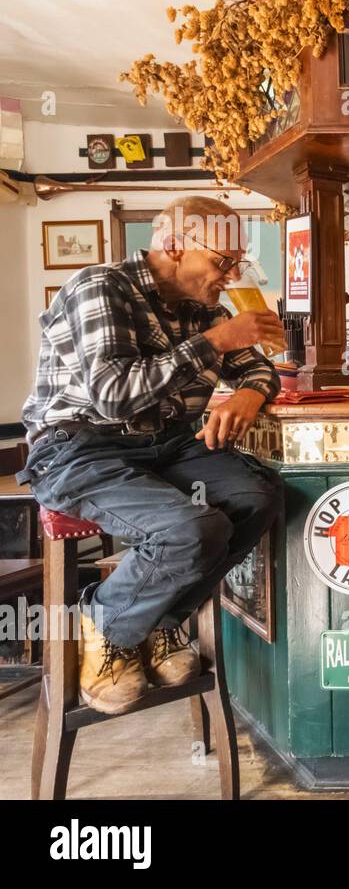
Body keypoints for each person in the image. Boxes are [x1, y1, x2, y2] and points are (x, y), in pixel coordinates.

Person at [17, 196, 286, 714]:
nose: (231, 276)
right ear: (173, 245)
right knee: (191, 531)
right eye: (222, 261)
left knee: (257, 496)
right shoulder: (101, 287)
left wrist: (252, 392)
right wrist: (214, 343)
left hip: (163, 445)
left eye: (237, 264)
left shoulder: (206, 310)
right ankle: (104, 623)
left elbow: (258, 369)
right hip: (77, 448)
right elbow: (114, 395)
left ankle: (156, 623)